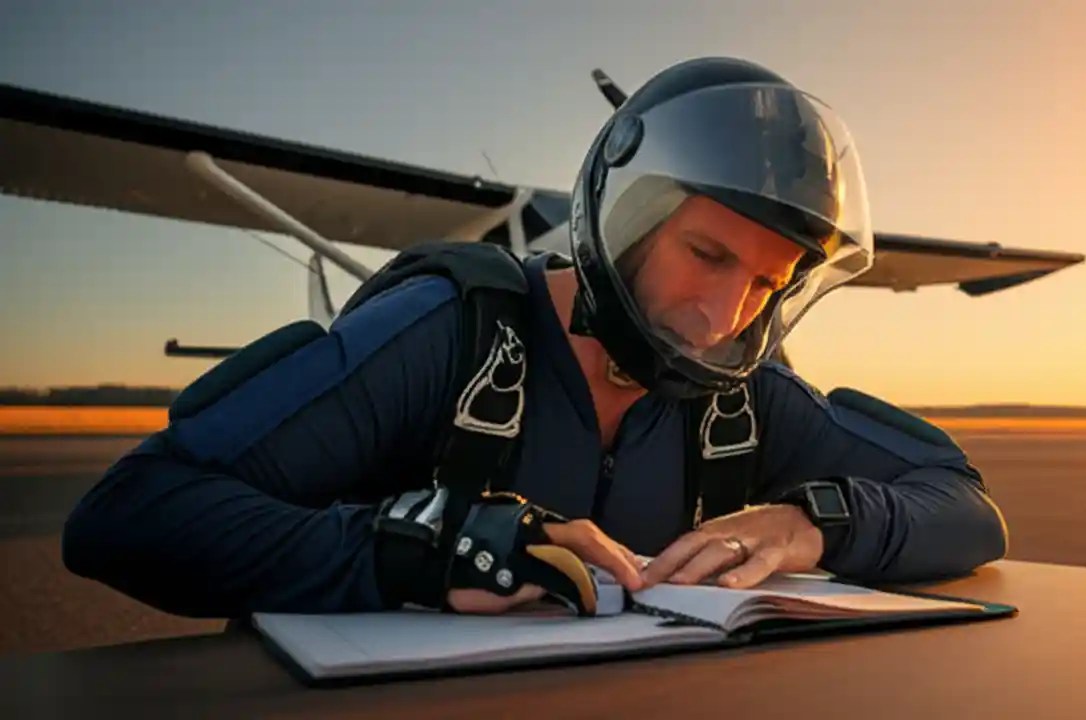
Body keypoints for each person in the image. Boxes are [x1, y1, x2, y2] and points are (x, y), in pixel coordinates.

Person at [62, 57, 1007, 619]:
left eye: (767, 282)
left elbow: (963, 504)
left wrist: (814, 522)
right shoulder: (443, 335)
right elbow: (131, 512)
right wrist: (426, 552)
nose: (725, 317)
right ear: (623, 219)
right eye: (707, 254)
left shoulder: (741, 394)